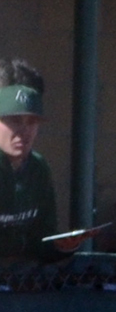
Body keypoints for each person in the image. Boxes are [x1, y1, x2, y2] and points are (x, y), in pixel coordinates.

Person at [0, 61, 80, 260]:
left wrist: (61, 247)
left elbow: (42, 239)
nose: (24, 131)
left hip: (21, 276)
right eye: (15, 120)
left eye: (32, 121)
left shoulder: (38, 168)